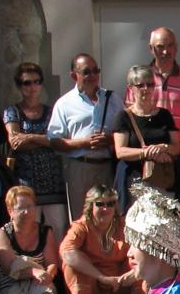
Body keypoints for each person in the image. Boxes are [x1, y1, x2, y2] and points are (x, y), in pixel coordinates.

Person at [47, 53, 123, 222]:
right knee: (81, 219)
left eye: (96, 71)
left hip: (107, 167)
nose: (93, 76)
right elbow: (54, 141)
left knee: (110, 218)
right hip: (80, 167)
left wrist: (109, 139)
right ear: (75, 75)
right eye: (87, 72)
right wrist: (85, 143)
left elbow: (126, 131)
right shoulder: (64, 103)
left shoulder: (113, 99)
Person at [60, 184, 140, 294]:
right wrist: (101, 277)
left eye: (110, 204)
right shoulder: (81, 226)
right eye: (100, 204)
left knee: (142, 269)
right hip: (92, 287)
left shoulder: (124, 225)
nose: (106, 209)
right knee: (72, 265)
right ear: (90, 206)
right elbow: (67, 252)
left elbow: (143, 254)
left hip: (120, 284)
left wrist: (131, 274)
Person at [3, 60, 67, 239]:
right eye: (27, 82)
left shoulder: (52, 111)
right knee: (28, 232)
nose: (33, 87)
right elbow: (16, 142)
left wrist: (30, 136)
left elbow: (58, 141)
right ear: (19, 85)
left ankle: (58, 267)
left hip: (53, 182)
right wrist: (44, 140)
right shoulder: (13, 112)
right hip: (26, 184)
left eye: (37, 81)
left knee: (58, 231)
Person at [0, 184, 59, 294]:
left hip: (39, 281)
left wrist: (48, 274)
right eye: (21, 208)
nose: (27, 212)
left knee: (43, 291)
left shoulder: (45, 231)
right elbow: (9, 267)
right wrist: (34, 272)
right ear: (10, 211)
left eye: (30, 206)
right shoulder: (2, 234)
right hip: (10, 283)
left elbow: (52, 263)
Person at [147, 27, 180, 204]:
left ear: (176, 48)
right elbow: (132, 115)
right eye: (160, 46)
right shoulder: (141, 79)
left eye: (170, 45)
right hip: (150, 151)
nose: (165, 51)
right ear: (151, 49)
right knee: (152, 208)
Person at [113, 65, 179, 193]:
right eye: (140, 85)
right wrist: (148, 153)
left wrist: (163, 148)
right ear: (131, 88)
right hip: (134, 180)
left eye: (150, 85)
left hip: (161, 178)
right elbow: (120, 151)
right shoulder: (124, 116)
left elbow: (176, 147)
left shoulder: (164, 115)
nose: (146, 89)